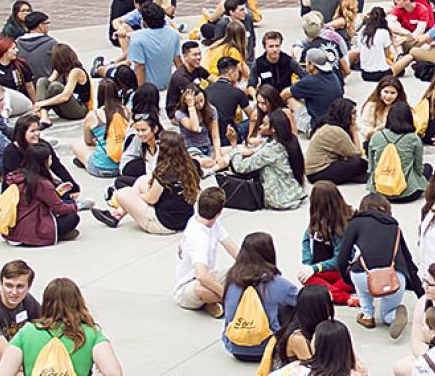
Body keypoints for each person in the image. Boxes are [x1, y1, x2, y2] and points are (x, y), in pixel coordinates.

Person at [334, 191, 423, 338]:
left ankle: (367, 315)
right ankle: (392, 315)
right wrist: (422, 296)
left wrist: (346, 277)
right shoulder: (395, 227)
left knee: (362, 283)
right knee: (387, 312)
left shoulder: (356, 223)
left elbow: (343, 256)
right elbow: (409, 262)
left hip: (364, 276)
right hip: (394, 279)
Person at [0, 277, 122, 376]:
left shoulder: (27, 332)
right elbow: (113, 373)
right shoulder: (90, 334)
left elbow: (3, 373)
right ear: (78, 302)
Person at [92, 131, 200, 234]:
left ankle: (118, 213)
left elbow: (151, 199)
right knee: (143, 180)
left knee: (122, 194)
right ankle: (117, 214)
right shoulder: (191, 167)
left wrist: (136, 197)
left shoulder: (163, 173)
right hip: (186, 219)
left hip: (164, 224)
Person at [218, 232, 301, 361]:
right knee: (291, 307)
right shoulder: (276, 282)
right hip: (266, 349)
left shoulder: (231, 279)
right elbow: (302, 300)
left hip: (234, 347)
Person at [173, 187, 237, 317]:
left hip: (211, 276)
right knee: (201, 288)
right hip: (189, 287)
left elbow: (233, 249)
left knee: (243, 270)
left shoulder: (213, 224)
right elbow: (201, 275)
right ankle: (222, 301)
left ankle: (211, 303)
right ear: (220, 212)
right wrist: (225, 294)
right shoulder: (199, 237)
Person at [2, 141, 81, 246]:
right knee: (72, 217)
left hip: (13, 228)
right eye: (50, 158)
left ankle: (59, 234)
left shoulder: (19, 175)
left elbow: (38, 198)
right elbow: (60, 208)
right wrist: (79, 206)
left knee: (66, 202)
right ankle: (55, 235)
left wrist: (57, 192)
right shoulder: (41, 183)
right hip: (31, 231)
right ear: (44, 161)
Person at [125, 3, 182, 92]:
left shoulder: (137, 37)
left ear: (144, 21)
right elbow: (178, 61)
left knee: (116, 71)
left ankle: (100, 68)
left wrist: (141, 91)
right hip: (165, 82)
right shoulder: (173, 34)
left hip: (146, 85)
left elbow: (140, 66)